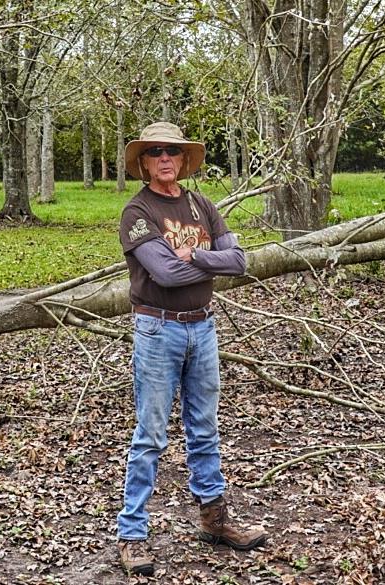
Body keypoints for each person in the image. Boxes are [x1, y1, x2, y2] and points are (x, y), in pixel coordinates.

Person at [116, 122, 268, 577]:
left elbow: (239, 261)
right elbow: (164, 274)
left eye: (173, 152)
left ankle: (215, 521)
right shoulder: (137, 212)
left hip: (203, 329)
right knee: (151, 436)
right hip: (158, 330)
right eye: (156, 152)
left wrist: (194, 257)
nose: (166, 158)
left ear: (183, 160)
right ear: (144, 161)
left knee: (204, 428)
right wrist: (202, 263)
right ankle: (132, 536)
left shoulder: (202, 205)